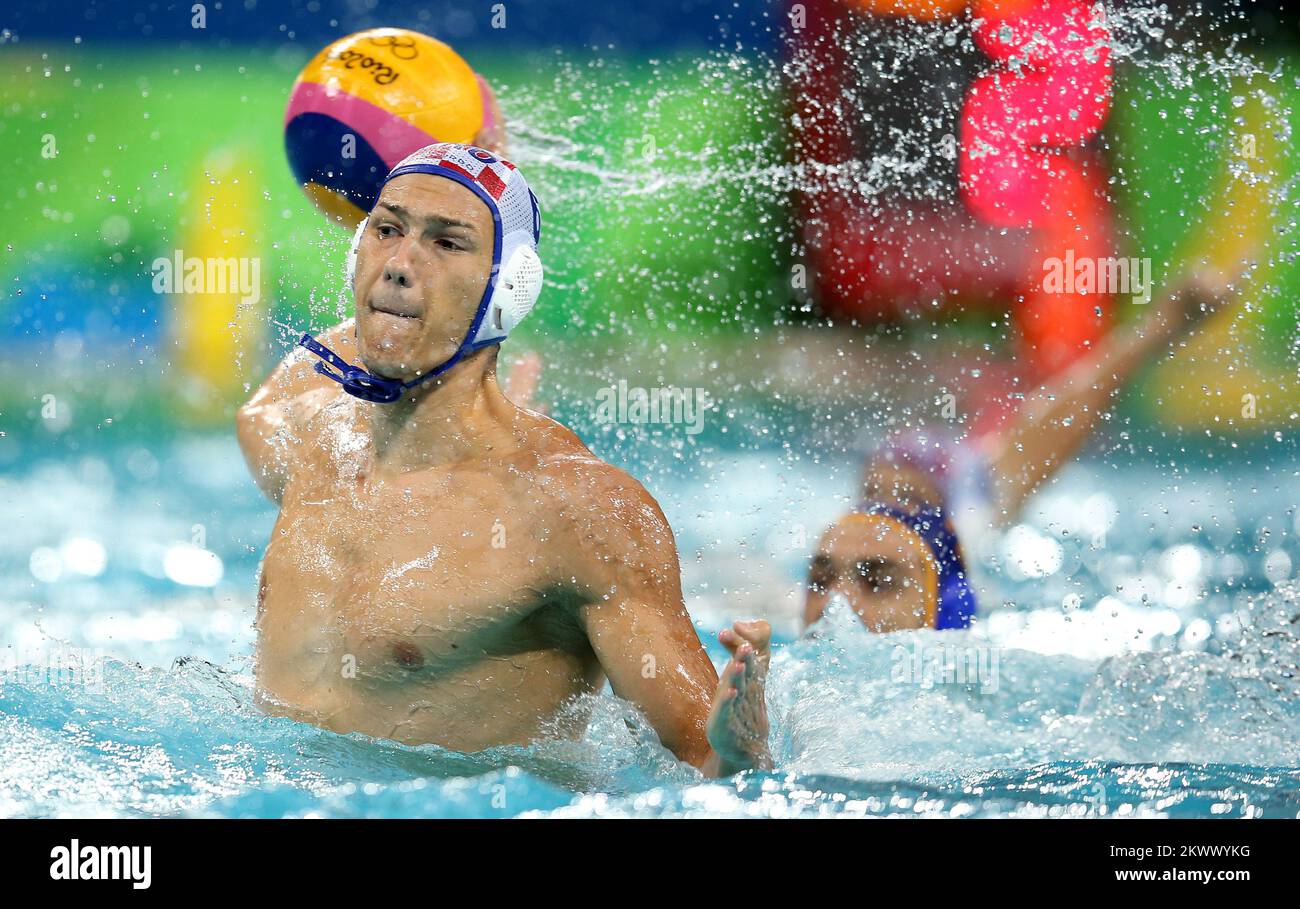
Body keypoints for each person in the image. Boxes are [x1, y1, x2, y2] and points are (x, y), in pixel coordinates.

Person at [236, 142, 771, 776]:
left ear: (508, 289)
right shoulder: (317, 435)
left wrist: (744, 752)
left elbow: (704, 759)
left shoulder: (577, 510)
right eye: (386, 231)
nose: (399, 264)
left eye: (447, 244)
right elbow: (255, 415)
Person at [805, 259, 1254, 633]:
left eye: (909, 500)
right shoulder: (832, 565)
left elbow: (1051, 424)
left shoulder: (973, 531)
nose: (887, 517)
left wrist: (1164, 325)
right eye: (874, 496)